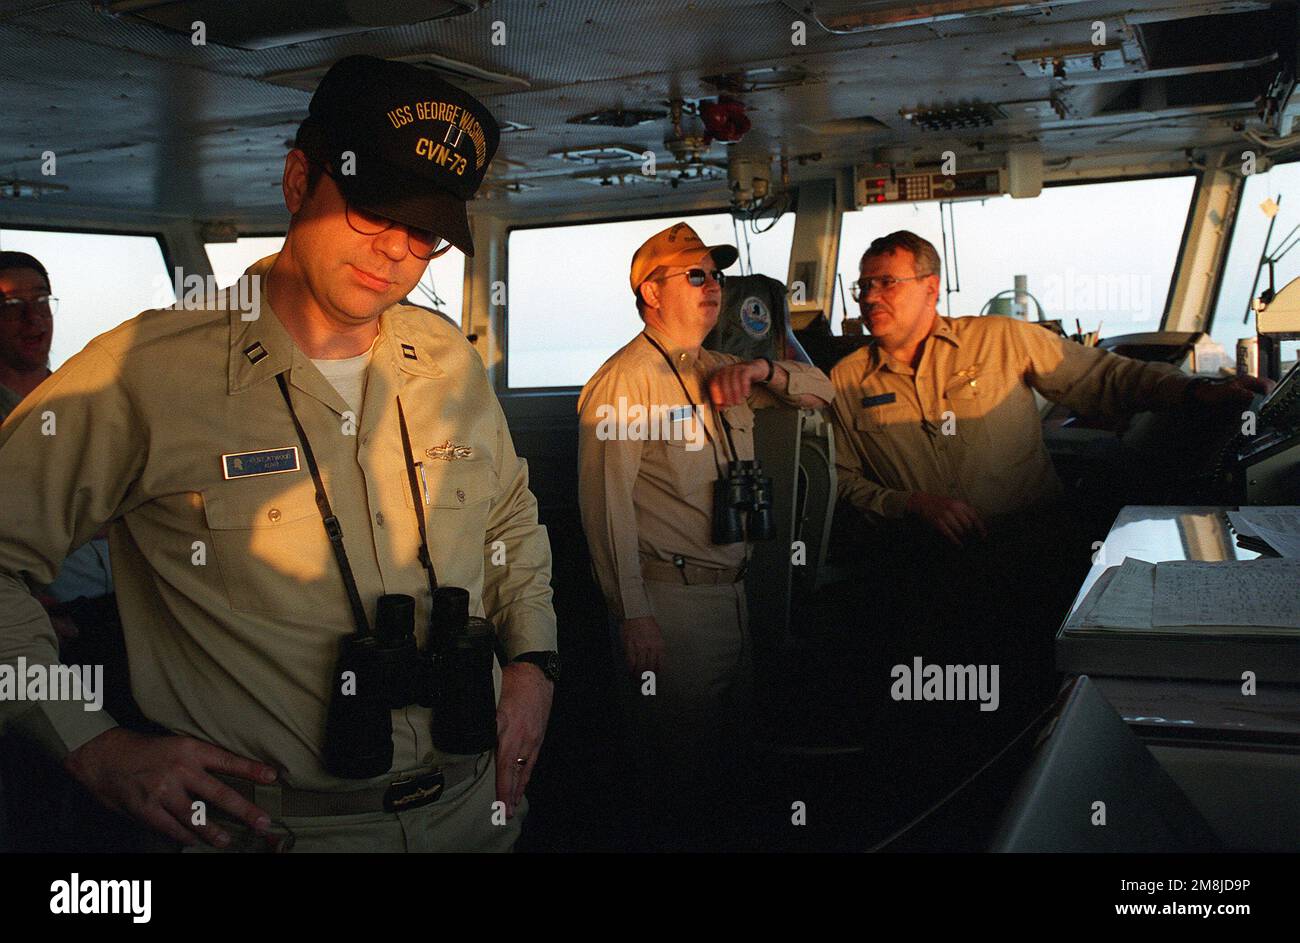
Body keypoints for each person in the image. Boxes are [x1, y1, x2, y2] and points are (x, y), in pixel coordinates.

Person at [0, 55, 557, 853]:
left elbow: (511, 516)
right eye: (371, 208)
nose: (396, 250)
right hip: (279, 831)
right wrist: (89, 742)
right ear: (299, 180)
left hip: (478, 811)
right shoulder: (146, 373)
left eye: (424, 230)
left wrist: (534, 661)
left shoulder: (446, 359)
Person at [826, 230, 1268, 729]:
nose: (869, 297)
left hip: (1029, 553)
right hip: (929, 571)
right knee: (948, 712)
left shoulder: (998, 340)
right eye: (862, 286)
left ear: (931, 288)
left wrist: (1197, 392)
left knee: (1040, 697)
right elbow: (838, 481)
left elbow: (1106, 376)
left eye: (886, 282)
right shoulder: (845, 380)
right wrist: (908, 504)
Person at [577, 222, 833, 848]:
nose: (712, 286)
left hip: (733, 594)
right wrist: (633, 615)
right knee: (676, 775)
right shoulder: (625, 382)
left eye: (716, 275)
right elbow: (605, 509)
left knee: (731, 765)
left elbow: (823, 394)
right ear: (650, 292)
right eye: (695, 276)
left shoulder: (722, 367)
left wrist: (766, 371)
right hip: (671, 605)